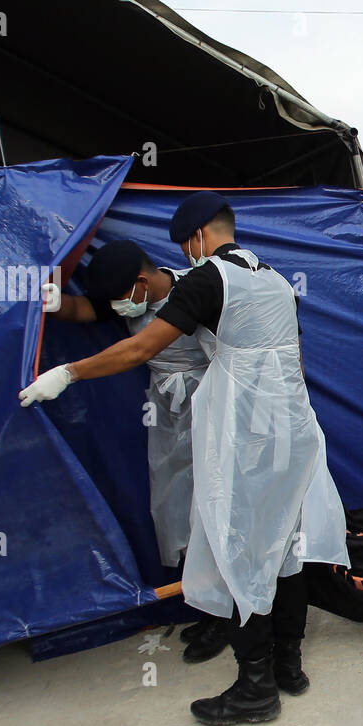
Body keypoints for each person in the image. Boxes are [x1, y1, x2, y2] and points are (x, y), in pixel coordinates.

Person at [20, 191, 350, 726]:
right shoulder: (275, 280)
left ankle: (255, 688)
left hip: (242, 436)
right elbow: (296, 356)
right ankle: (289, 663)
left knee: (236, 550)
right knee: (285, 546)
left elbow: (138, 349)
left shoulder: (207, 280)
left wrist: (67, 374)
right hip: (292, 430)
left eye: (185, 245)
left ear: (197, 238)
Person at [43, 241, 228, 663]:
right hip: (165, 412)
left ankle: (227, 614)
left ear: (142, 283)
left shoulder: (195, 291)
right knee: (174, 509)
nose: (116, 307)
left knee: (213, 509)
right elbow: (84, 310)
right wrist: (56, 303)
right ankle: (204, 602)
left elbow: (138, 350)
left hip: (209, 406)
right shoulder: (130, 296)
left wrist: (68, 373)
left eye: (120, 298)